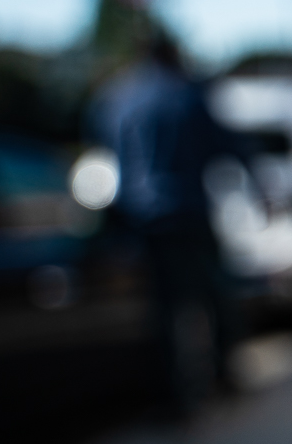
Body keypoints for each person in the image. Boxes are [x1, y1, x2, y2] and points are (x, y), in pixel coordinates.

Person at [90, 28, 242, 423]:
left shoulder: (117, 98)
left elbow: (107, 158)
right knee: (213, 297)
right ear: (172, 53)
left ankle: (175, 397)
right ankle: (222, 377)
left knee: (165, 312)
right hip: (190, 211)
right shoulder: (187, 92)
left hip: (143, 219)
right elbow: (224, 147)